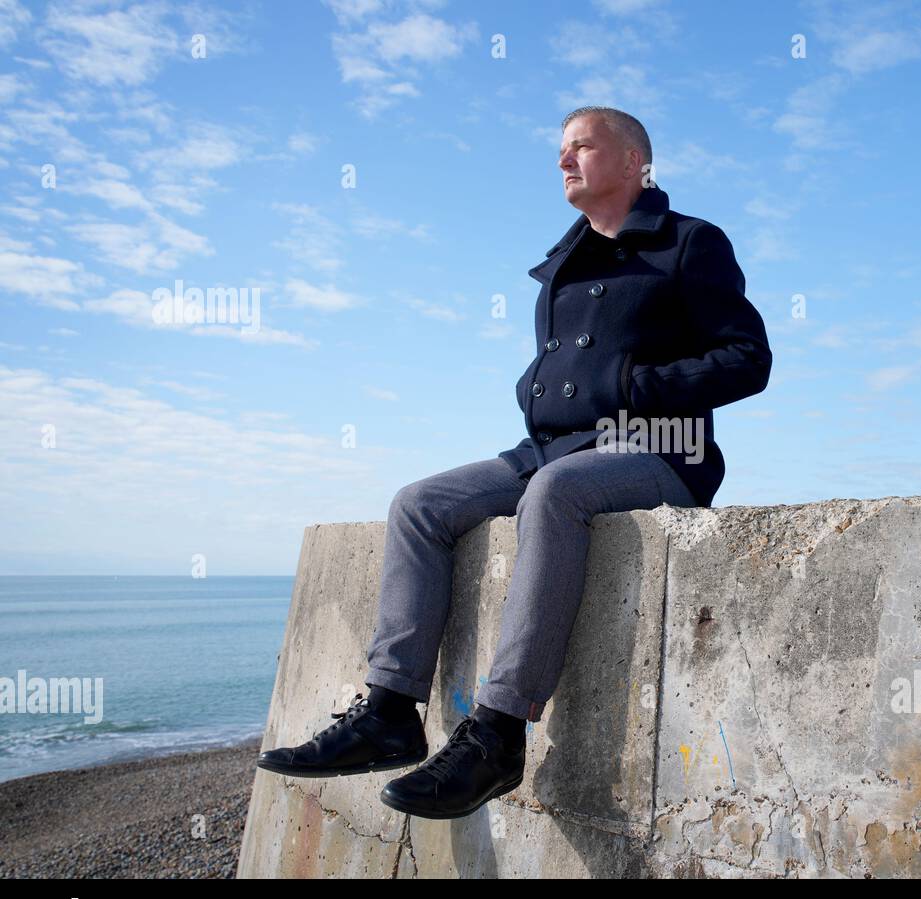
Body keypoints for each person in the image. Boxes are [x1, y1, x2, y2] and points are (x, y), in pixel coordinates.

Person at [256, 106, 773, 821]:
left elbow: (748, 361)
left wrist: (631, 386)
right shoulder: (560, 265)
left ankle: (499, 731)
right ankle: (389, 711)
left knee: (555, 493)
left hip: (660, 450)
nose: (563, 162)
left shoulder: (690, 243)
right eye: (560, 151)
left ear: (632, 163)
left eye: (581, 147)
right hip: (555, 449)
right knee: (419, 502)